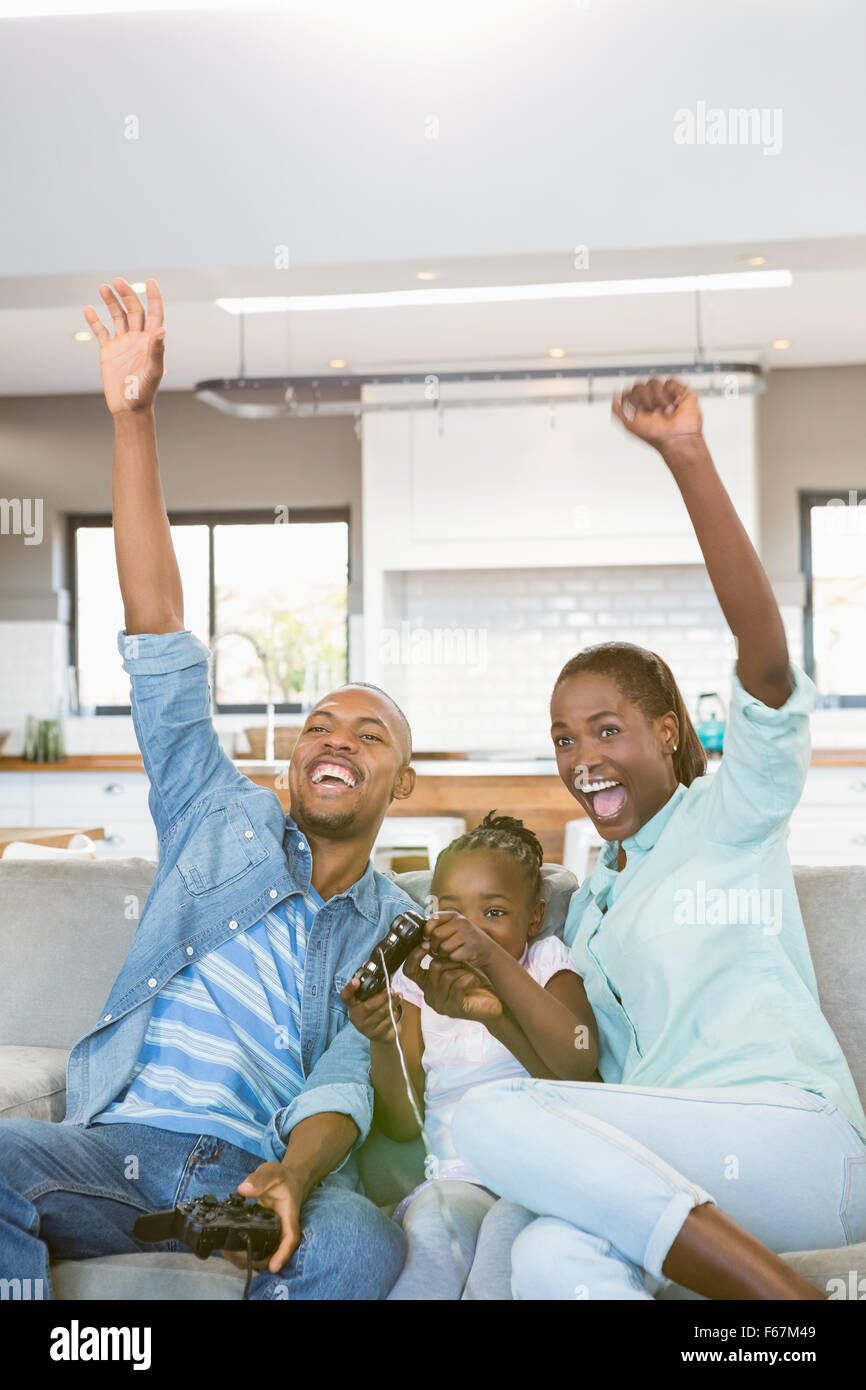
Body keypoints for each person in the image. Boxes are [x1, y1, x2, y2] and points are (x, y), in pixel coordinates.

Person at [0, 278, 416, 1300]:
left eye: (368, 734)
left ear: (400, 781)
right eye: (318, 722)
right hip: (122, 1152)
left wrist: (292, 1175)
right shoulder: (213, 815)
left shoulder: (400, 923)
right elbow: (159, 642)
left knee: (361, 1246)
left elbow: (354, 1086)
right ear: (289, 759)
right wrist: (133, 417)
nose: (334, 738)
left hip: (262, 1168)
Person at [431, 377, 866, 1300]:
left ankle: (796, 1316)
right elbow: (580, 1067)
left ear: (668, 730)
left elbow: (769, 664)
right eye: (563, 738)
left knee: (495, 1122)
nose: (582, 757)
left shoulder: (730, 816)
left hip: (789, 1138)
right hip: (667, 1162)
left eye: (606, 729)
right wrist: (481, 996)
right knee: (540, 1248)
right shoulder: (593, 900)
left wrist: (688, 459)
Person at [343, 812, 599, 1299]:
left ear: (535, 917)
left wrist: (491, 960)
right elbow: (401, 1123)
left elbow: (579, 1058)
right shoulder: (417, 984)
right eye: (452, 912)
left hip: (541, 1178)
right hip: (460, 1177)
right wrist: (383, 1035)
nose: (470, 931)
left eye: (495, 913)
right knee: (434, 1240)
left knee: (506, 1250)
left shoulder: (544, 963)